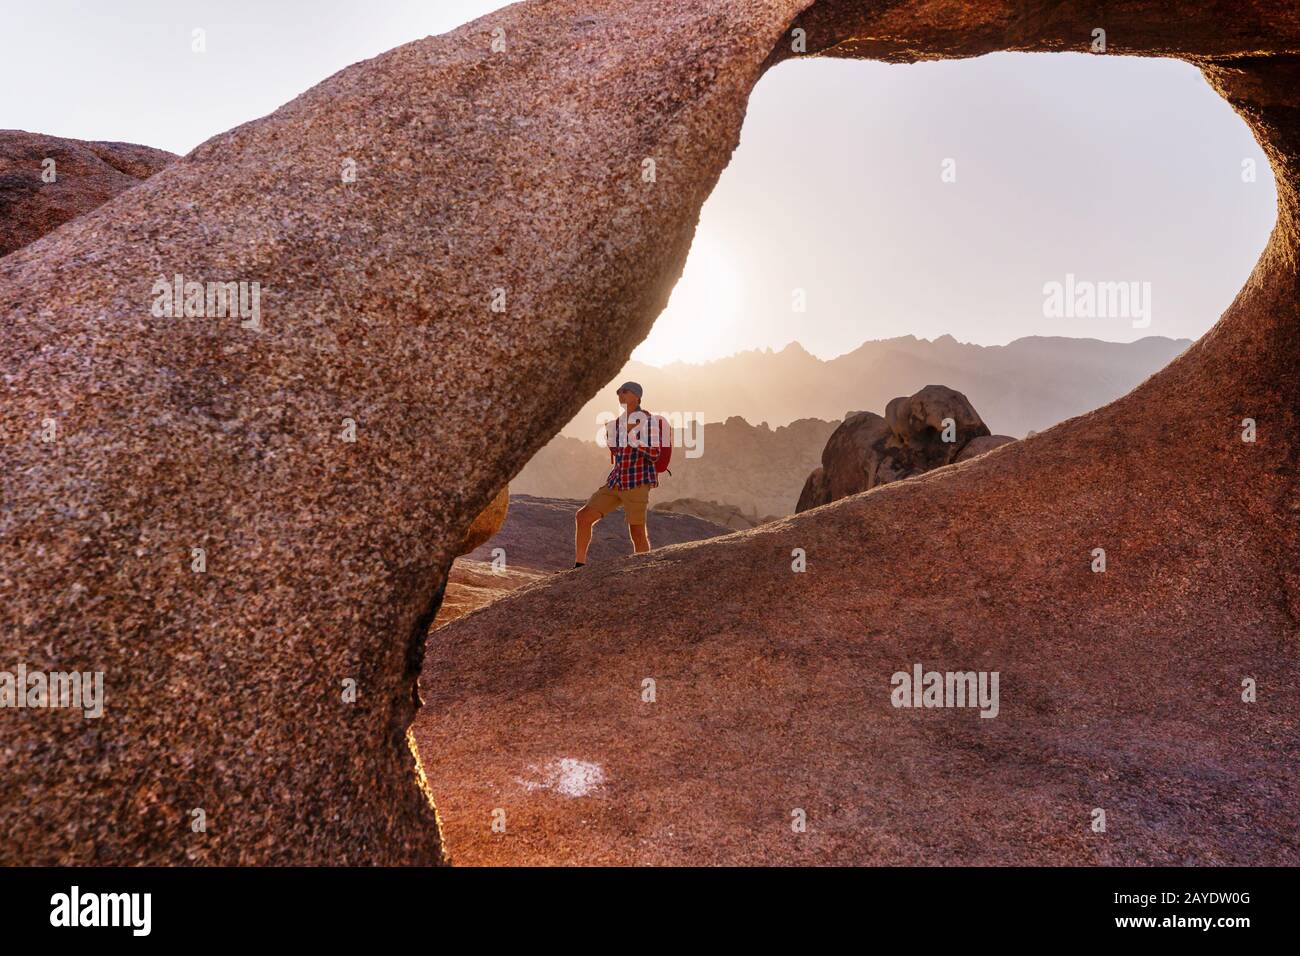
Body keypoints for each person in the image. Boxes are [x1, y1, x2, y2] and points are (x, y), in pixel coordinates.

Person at [574, 381, 662, 567]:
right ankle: (579, 566)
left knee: (637, 532)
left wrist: (632, 437)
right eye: (619, 392)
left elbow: (655, 453)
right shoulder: (618, 422)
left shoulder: (649, 421)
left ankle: (643, 570)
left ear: (637, 396)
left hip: (637, 482)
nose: (620, 395)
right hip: (616, 480)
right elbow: (618, 453)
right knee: (583, 517)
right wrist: (610, 435)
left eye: (625, 391)